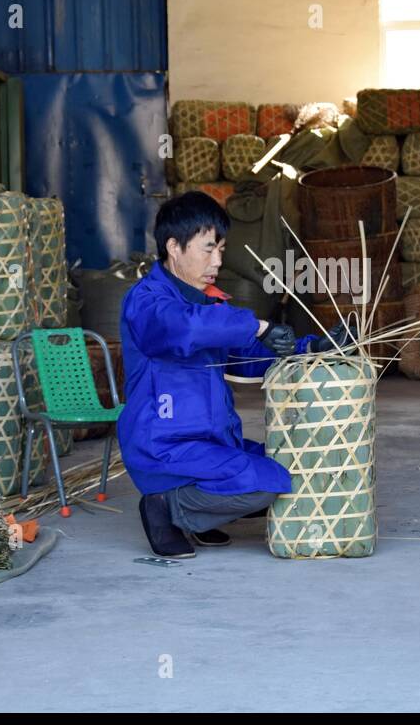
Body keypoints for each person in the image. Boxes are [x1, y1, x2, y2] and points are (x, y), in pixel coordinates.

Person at [117, 191, 352, 558]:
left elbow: (247, 356)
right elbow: (186, 330)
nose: (217, 261)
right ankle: (166, 508)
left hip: (212, 441)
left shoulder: (208, 302)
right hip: (164, 446)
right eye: (207, 249)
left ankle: (200, 516)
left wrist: (311, 348)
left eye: (221, 250)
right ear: (174, 247)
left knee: (296, 465)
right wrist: (256, 324)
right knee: (268, 482)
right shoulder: (147, 301)